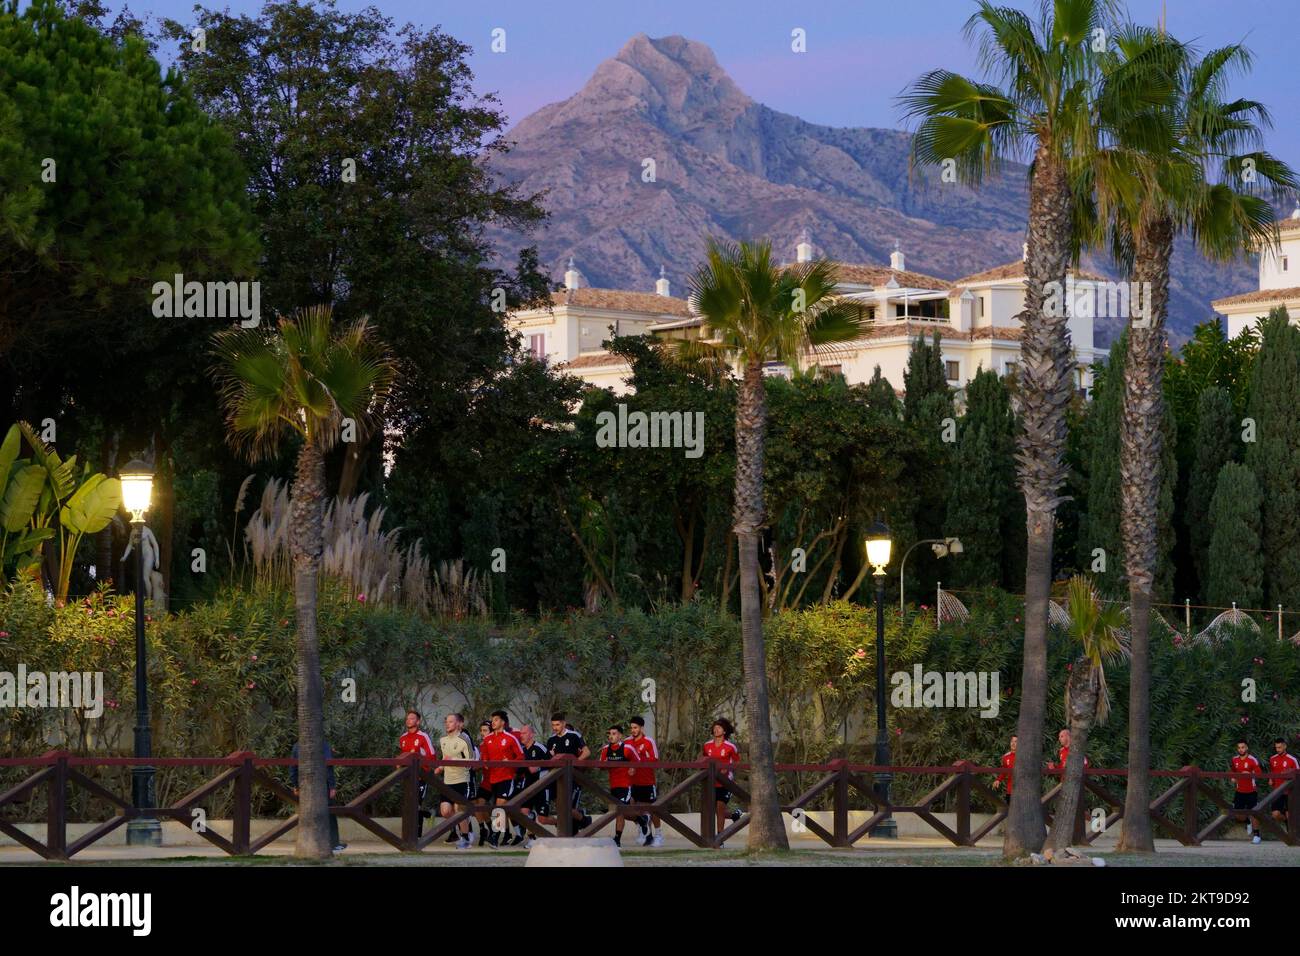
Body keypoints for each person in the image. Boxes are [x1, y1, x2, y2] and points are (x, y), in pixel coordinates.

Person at [479, 710, 525, 847]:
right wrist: (486, 764)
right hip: (493, 778)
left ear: (503, 723)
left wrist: (510, 761)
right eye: (492, 720)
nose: (493, 722)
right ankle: (512, 832)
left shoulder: (511, 738)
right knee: (499, 807)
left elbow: (521, 757)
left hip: (507, 777)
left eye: (496, 720)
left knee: (500, 805)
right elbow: (484, 757)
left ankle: (495, 835)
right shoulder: (487, 739)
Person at [291, 739, 345, 852]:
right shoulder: (323, 744)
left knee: (306, 811)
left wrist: (295, 784)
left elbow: (293, 767)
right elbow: (328, 765)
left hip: (304, 783)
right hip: (322, 784)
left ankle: (307, 843)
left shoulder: (297, 745)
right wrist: (332, 786)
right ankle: (333, 844)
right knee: (329, 812)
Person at [546, 712, 592, 834]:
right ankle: (570, 831)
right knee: (561, 807)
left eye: (557, 724)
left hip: (573, 777)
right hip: (557, 778)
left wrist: (575, 763)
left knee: (570, 808)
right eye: (553, 725)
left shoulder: (574, 736)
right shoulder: (551, 739)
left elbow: (587, 752)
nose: (555, 727)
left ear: (564, 724)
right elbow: (549, 758)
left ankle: (585, 820)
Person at [435, 712, 475, 849]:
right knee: (445, 811)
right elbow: (445, 758)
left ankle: (465, 838)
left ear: (458, 724)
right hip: (447, 782)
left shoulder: (464, 740)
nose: (447, 723)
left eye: (451, 721)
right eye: (446, 721)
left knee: (459, 809)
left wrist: (454, 760)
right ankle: (464, 827)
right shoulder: (443, 740)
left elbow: (472, 762)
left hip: (462, 781)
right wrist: (440, 767)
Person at [599, 725, 642, 847]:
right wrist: (605, 764)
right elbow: (600, 766)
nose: (611, 736)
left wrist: (633, 768)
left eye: (614, 733)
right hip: (613, 784)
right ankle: (640, 820)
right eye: (610, 734)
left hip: (625, 784)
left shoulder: (627, 748)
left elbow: (638, 761)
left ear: (620, 736)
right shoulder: (605, 749)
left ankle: (617, 839)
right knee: (620, 811)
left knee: (619, 811)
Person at [398, 710, 436, 837]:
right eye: (407, 718)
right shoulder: (402, 738)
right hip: (407, 777)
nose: (408, 720)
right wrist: (399, 763)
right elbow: (403, 756)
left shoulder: (423, 736)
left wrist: (427, 769)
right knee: (409, 804)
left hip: (421, 775)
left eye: (412, 718)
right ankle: (429, 814)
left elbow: (432, 755)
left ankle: (416, 835)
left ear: (418, 721)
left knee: (416, 803)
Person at [702, 718, 740, 846]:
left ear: (724, 731)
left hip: (725, 782)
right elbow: (704, 759)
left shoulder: (730, 746)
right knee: (714, 810)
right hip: (711, 782)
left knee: (720, 807)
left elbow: (736, 762)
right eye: (715, 727)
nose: (716, 729)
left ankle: (720, 838)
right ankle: (735, 815)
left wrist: (727, 768)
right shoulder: (707, 745)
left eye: (719, 727)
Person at [627, 716, 662, 846]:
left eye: (635, 728)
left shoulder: (648, 741)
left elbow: (655, 759)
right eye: (631, 728)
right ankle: (643, 832)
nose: (633, 730)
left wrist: (639, 761)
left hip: (647, 780)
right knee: (633, 808)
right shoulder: (627, 742)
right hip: (632, 781)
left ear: (641, 728)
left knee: (651, 809)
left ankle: (658, 835)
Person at [517, 725, 551, 848]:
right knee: (524, 812)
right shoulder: (521, 750)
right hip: (528, 785)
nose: (522, 735)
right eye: (521, 733)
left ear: (532, 734)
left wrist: (538, 767)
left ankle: (562, 823)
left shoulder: (539, 748)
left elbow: (535, 769)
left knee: (543, 819)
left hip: (541, 786)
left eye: (524, 733)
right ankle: (532, 838)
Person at [1231, 738, 1263, 844]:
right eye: (1239, 748)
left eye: (1243, 747)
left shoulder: (1252, 760)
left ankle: (1257, 835)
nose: (1241, 749)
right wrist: (1233, 778)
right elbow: (1233, 772)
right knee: (1237, 814)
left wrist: (1249, 774)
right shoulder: (1234, 759)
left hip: (1251, 791)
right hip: (1239, 790)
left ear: (1247, 748)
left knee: (1254, 812)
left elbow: (1259, 774)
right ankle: (1247, 821)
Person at [1269, 737, 1299, 829]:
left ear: (1285, 746)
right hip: (1277, 791)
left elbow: (1298, 774)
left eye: (1280, 747)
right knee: (1275, 815)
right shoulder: (1272, 759)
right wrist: (1270, 779)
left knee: (1290, 815)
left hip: (1290, 792)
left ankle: (1292, 836)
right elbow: (1272, 771)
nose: (1278, 750)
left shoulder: (1292, 759)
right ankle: (1285, 820)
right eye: (1276, 747)